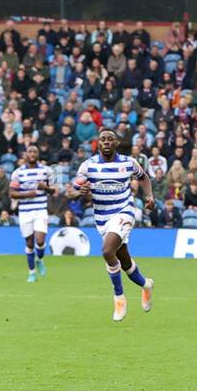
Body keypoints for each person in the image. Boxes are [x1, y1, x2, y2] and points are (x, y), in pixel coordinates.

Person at [66, 128, 156, 321]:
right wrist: (79, 192)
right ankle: (146, 285)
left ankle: (119, 298)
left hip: (124, 212)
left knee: (107, 251)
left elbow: (144, 177)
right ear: (98, 144)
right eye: (103, 139)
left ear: (116, 143)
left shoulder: (128, 162)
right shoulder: (88, 166)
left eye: (110, 139)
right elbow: (70, 192)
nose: (106, 142)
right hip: (102, 218)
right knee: (124, 261)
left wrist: (149, 196)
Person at [10, 145, 55, 283]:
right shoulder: (18, 173)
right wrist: (27, 194)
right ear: (26, 154)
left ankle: (40, 259)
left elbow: (54, 191)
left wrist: (45, 188)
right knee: (29, 244)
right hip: (24, 212)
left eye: (35, 151)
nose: (32, 154)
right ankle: (31, 273)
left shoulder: (46, 171)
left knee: (40, 240)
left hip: (40, 210)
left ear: (38, 154)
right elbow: (11, 193)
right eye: (30, 151)